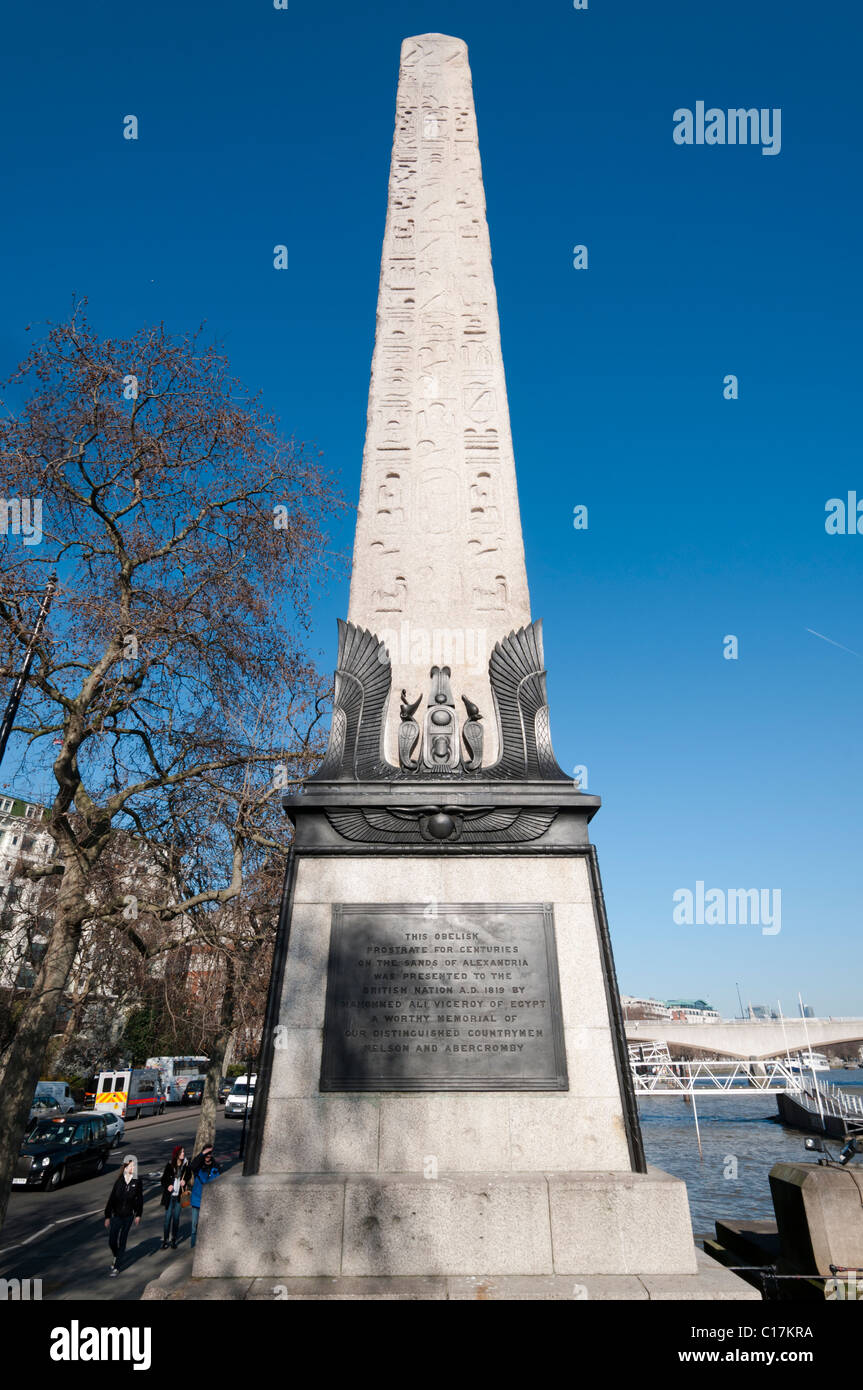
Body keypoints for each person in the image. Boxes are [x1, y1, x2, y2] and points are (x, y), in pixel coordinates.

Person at [104, 1154, 143, 1277]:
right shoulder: (119, 1181)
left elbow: (139, 1199)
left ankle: (117, 1266)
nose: (133, 1168)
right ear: (125, 1167)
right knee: (112, 1240)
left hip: (128, 1216)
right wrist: (107, 1215)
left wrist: (138, 1214)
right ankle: (116, 1255)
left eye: (134, 1166)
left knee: (123, 1240)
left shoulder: (137, 1182)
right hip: (117, 1215)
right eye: (131, 1166)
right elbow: (112, 1198)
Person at [189, 1142, 221, 1248]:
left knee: (207, 1227)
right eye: (206, 1154)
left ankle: (204, 1247)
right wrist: (202, 1153)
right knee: (194, 1227)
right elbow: (192, 1166)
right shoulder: (198, 1167)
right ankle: (193, 1247)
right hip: (197, 1200)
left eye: (209, 1154)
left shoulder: (216, 1167)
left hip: (209, 1202)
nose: (208, 1156)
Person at [159, 1144, 190, 1249]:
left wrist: (185, 1181)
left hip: (179, 1197)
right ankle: (165, 1240)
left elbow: (189, 1175)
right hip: (170, 1197)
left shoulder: (186, 1165)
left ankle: (174, 1240)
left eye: (184, 1152)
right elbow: (163, 1180)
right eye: (181, 1152)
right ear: (176, 1154)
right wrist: (168, 1186)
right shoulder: (170, 1165)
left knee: (176, 1219)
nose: (183, 1154)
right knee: (167, 1219)